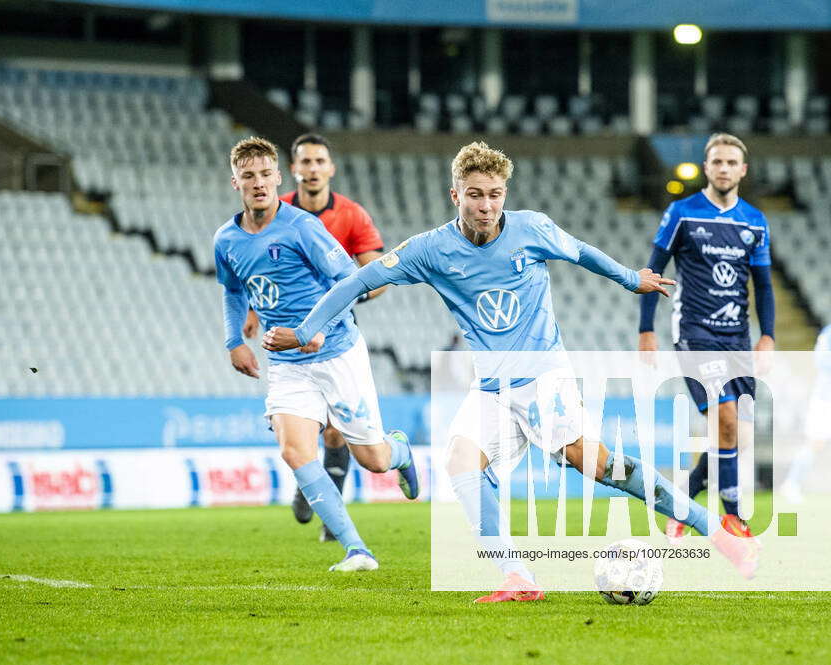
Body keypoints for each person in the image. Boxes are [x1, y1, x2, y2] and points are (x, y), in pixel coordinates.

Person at [264, 141, 758, 601]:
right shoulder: (430, 250)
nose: (486, 206)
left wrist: (631, 279)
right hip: (492, 387)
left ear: (506, 194)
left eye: (495, 195)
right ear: (455, 194)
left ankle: (718, 534)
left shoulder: (532, 228)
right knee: (460, 462)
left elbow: (581, 251)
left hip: (546, 378)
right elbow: (360, 280)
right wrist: (309, 329)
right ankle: (518, 575)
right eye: (475, 195)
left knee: (599, 464)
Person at [213, 137, 419, 572]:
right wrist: (235, 340)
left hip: (337, 353)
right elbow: (233, 290)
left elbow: (350, 279)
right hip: (287, 362)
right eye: (248, 176)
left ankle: (401, 452)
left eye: (266, 174)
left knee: (374, 459)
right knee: (294, 451)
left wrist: (316, 329)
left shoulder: (302, 226)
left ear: (278, 178)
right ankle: (356, 549)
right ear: (235, 182)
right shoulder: (226, 240)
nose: (258, 183)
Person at [241, 133, 387, 541]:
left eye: (319, 161)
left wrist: (356, 288)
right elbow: (255, 267)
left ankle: (325, 506)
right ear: (294, 169)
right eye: (305, 162)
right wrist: (252, 311)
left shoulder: (352, 215)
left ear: (330, 169)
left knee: (338, 431)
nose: (312, 169)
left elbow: (375, 273)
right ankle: (318, 493)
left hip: (337, 328)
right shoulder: (274, 209)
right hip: (288, 331)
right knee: (306, 432)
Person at [637, 133, 774, 542]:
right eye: (717, 162)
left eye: (732, 163)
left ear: (742, 170)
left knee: (735, 436)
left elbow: (764, 286)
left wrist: (767, 335)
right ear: (707, 167)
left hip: (738, 339)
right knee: (727, 422)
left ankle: (681, 502)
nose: (725, 169)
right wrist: (646, 330)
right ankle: (734, 521)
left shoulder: (755, 221)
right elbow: (653, 271)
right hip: (695, 334)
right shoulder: (682, 212)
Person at [778, 325, 831, 503]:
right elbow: (822, 360)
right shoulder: (829, 333)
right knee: (815, 442)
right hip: (825, 397)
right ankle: (791, 483)